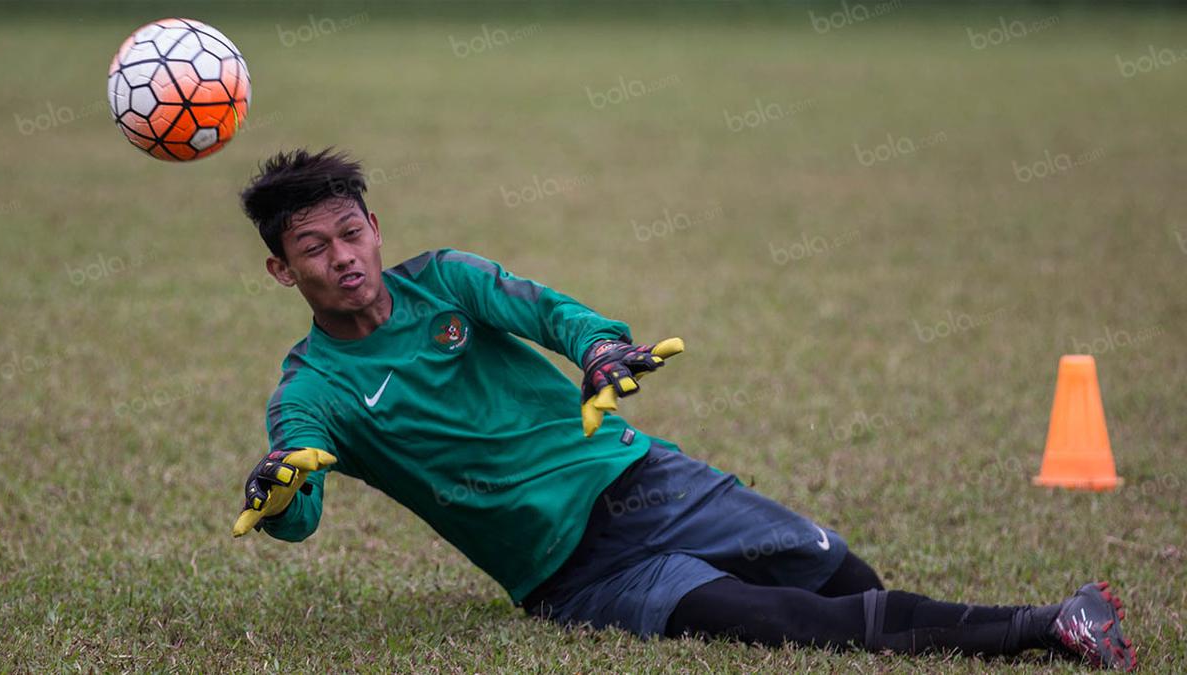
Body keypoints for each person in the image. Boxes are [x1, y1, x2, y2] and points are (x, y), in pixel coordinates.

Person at [232, 148, 1135, 671]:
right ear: (284, 270)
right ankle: (1050, 623)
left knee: (841, 576)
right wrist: (279, 494)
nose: (342, 257)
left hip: (645, 479)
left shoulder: (446, 282)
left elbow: (551, 312)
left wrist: (599, 349)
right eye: (313, 248)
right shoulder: (311, 388)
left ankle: (1006, 624)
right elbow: (297, 496)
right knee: (784, 623)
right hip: (574, 574)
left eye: (352, 232)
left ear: (375, 228)